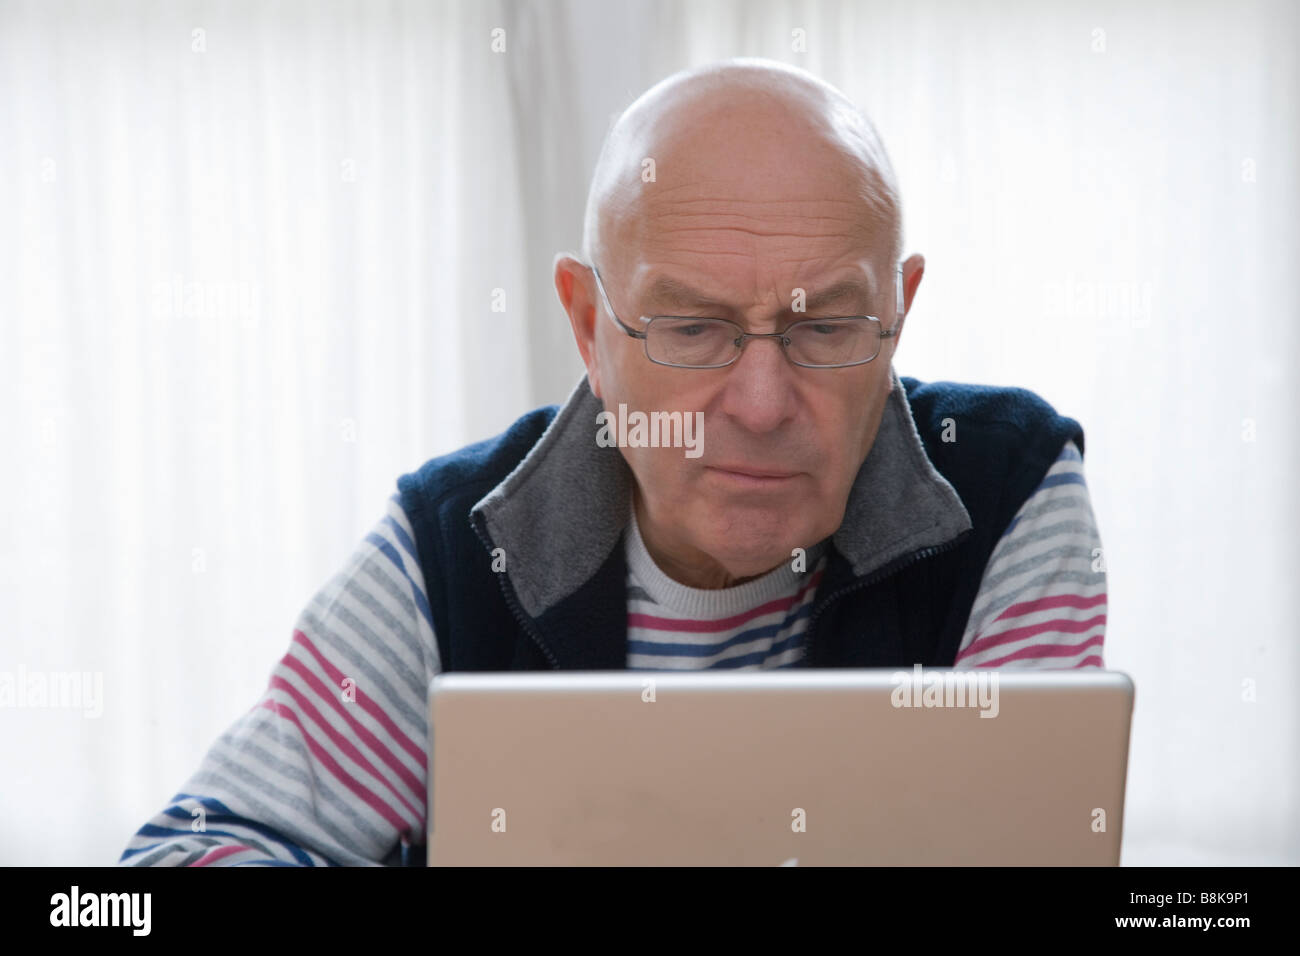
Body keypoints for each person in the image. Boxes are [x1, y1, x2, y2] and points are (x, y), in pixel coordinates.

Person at [120, 58, 1106, 867]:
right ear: (589, 326)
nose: (761, 406)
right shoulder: (457, 544)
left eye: (828, 325)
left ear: (897, 315)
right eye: (692, 326)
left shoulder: (1004, 491)